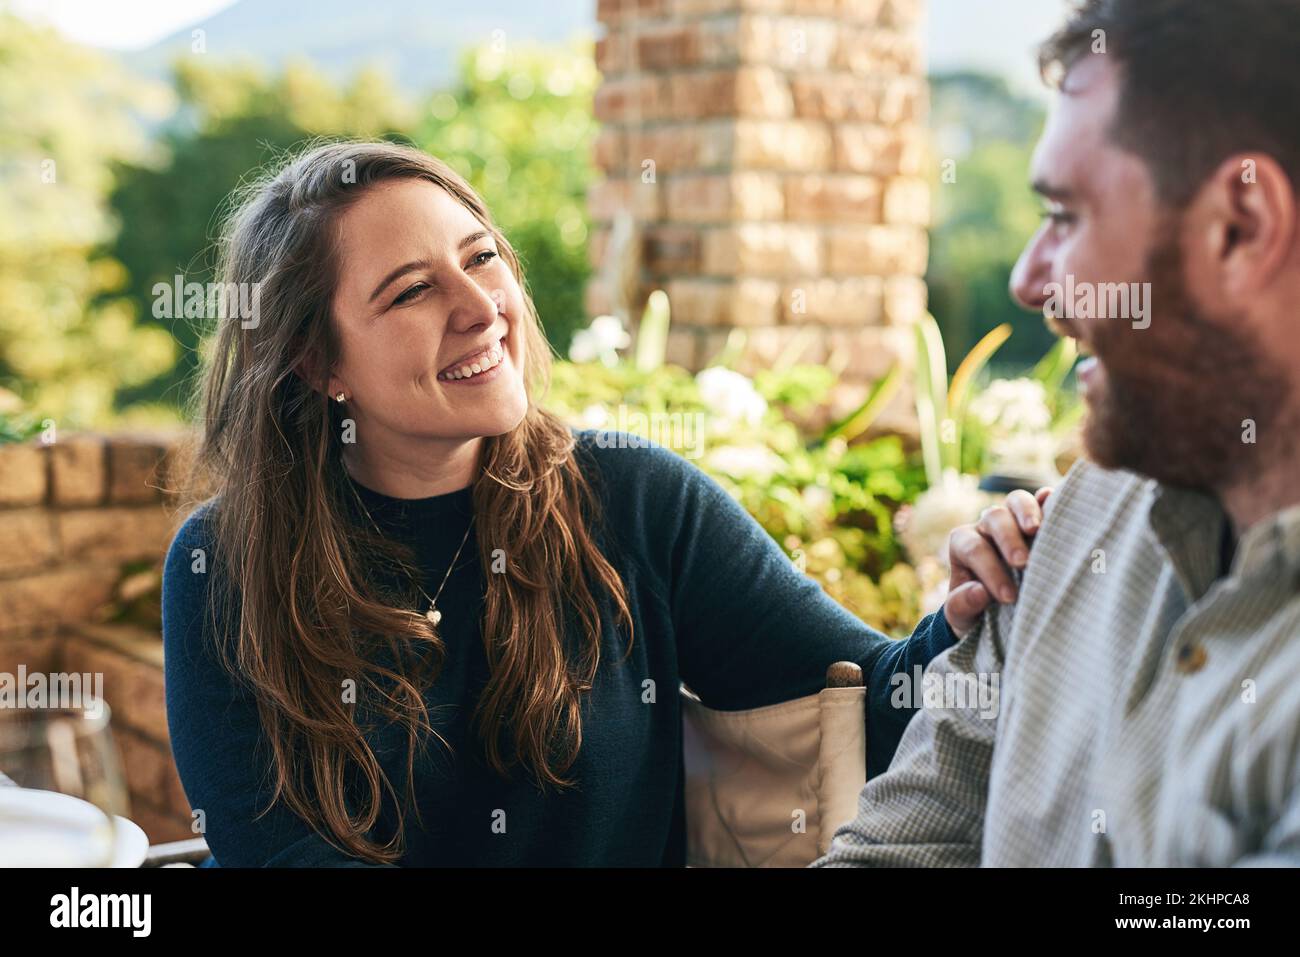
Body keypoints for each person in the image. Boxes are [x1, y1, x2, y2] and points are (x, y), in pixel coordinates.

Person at [162, 139, 1037, 867]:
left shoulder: (630, 498)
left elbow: (866, 704)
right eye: (412, 290)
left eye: (481, 258)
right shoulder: (227, 566)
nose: (481, 309)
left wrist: (975, 605)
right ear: (318, 364)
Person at [813, 0, 1300, 867]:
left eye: (1066, 215)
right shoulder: (1069, 528)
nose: (1029, 278)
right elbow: (894, 850)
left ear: (1241, 228)